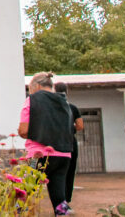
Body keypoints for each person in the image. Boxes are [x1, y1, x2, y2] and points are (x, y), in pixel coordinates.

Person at [18, 72, 75, 216]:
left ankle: (22, 213)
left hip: (37, 156)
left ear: (36, 86)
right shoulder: (65, 103)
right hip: (63, 156)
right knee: (58, 198)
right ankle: (62, 211)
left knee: (25, 191)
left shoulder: (32, 100)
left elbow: (24, 130)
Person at [54, 82, 83, 207]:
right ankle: (66, 201)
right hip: (70, 143)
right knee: (70, 172)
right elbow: (80, 126)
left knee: (57, 174)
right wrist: (70, 129)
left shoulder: (52, 108)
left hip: (55, 144)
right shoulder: (73, 108)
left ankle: (58, 201)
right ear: (67, 91)